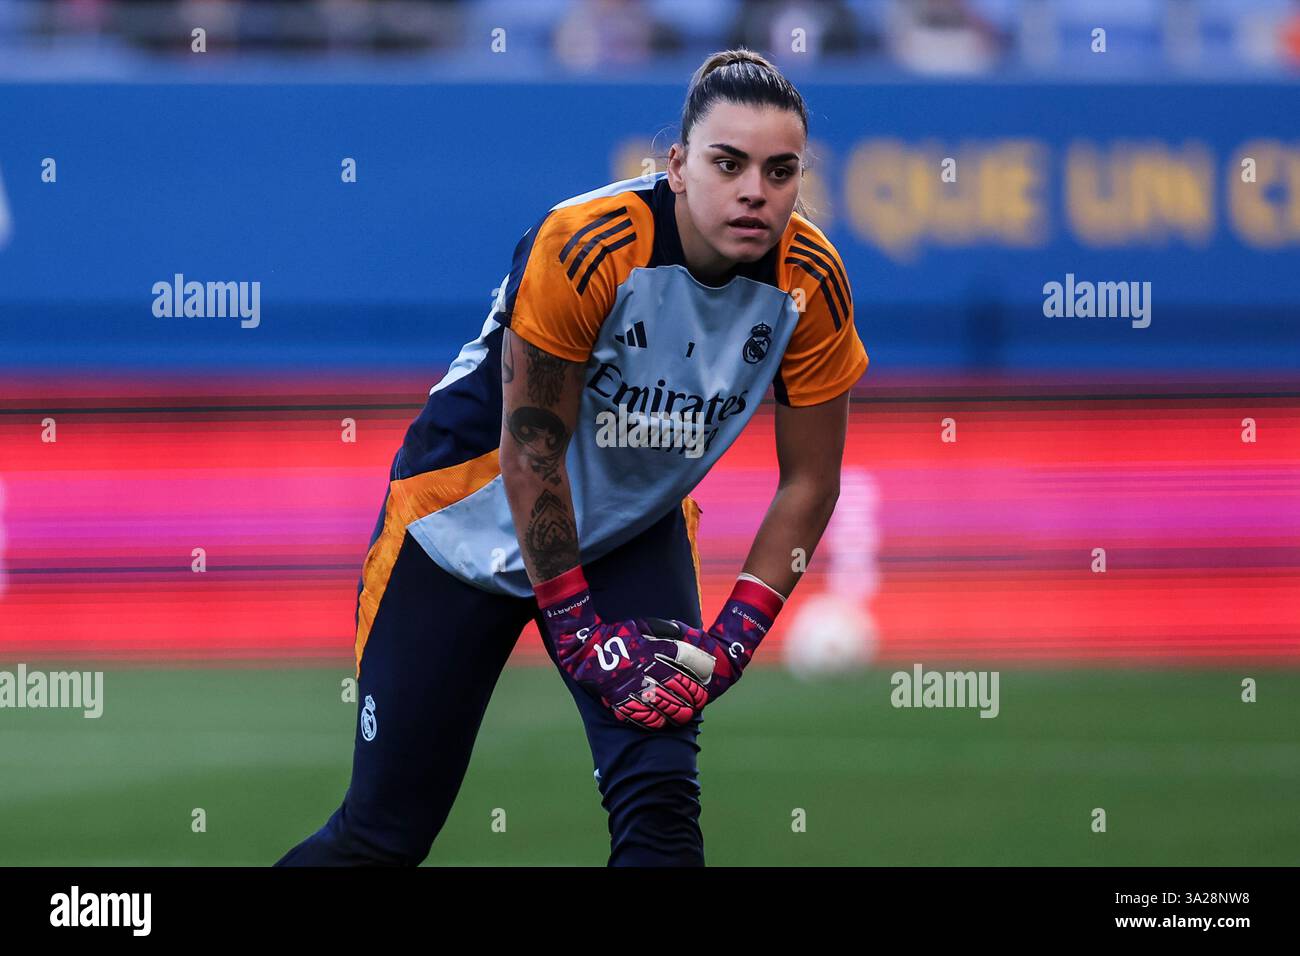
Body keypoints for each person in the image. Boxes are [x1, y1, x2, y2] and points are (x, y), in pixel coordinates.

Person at [275, 47, 868, 867]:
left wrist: (733, 641)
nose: (753, 191)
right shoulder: (588, 243)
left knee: (662, 817)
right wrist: (578, 628)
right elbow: (531, 451)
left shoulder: (814, 283)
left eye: (780, 170)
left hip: (630, 532)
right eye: (726, 163)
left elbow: (811, 480)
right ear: (677, 166)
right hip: (458, 530)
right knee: (383, 836)